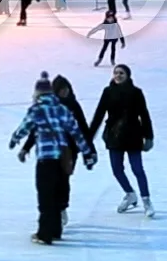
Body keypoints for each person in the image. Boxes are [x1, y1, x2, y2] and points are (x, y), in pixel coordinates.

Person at [11, 74, 93, 243]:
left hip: (46, 158)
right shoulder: (63, 109)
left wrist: (15, 139)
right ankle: (56, 231)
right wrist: (87, 152)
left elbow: (25, 128)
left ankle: (44, 234)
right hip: (63, 159)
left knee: (45, 195)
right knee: (56, 193)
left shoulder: (37, 109)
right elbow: (77, 133)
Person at [89, 64, 156, 218]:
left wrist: (149, 137)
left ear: (127, 75)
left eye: (121, 73)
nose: (118, 75)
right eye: (116, 73)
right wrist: (89, 136)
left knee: (138, 169)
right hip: (114, 136)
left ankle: (146, 200)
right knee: (116, 169)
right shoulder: (108, 92)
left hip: (133, 135)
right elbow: (99, 115)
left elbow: (144, 115)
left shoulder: (136, 93)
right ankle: (130, 194)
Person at [49, 74, 91, 229]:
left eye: (66, 89)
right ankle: (55, 208)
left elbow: (83, 127)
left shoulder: (73, 105)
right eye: (61, 90)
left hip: (70, 149)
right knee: (53, 180)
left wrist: (89, 150)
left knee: (64, 178)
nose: (64, 92)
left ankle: (62, 207)